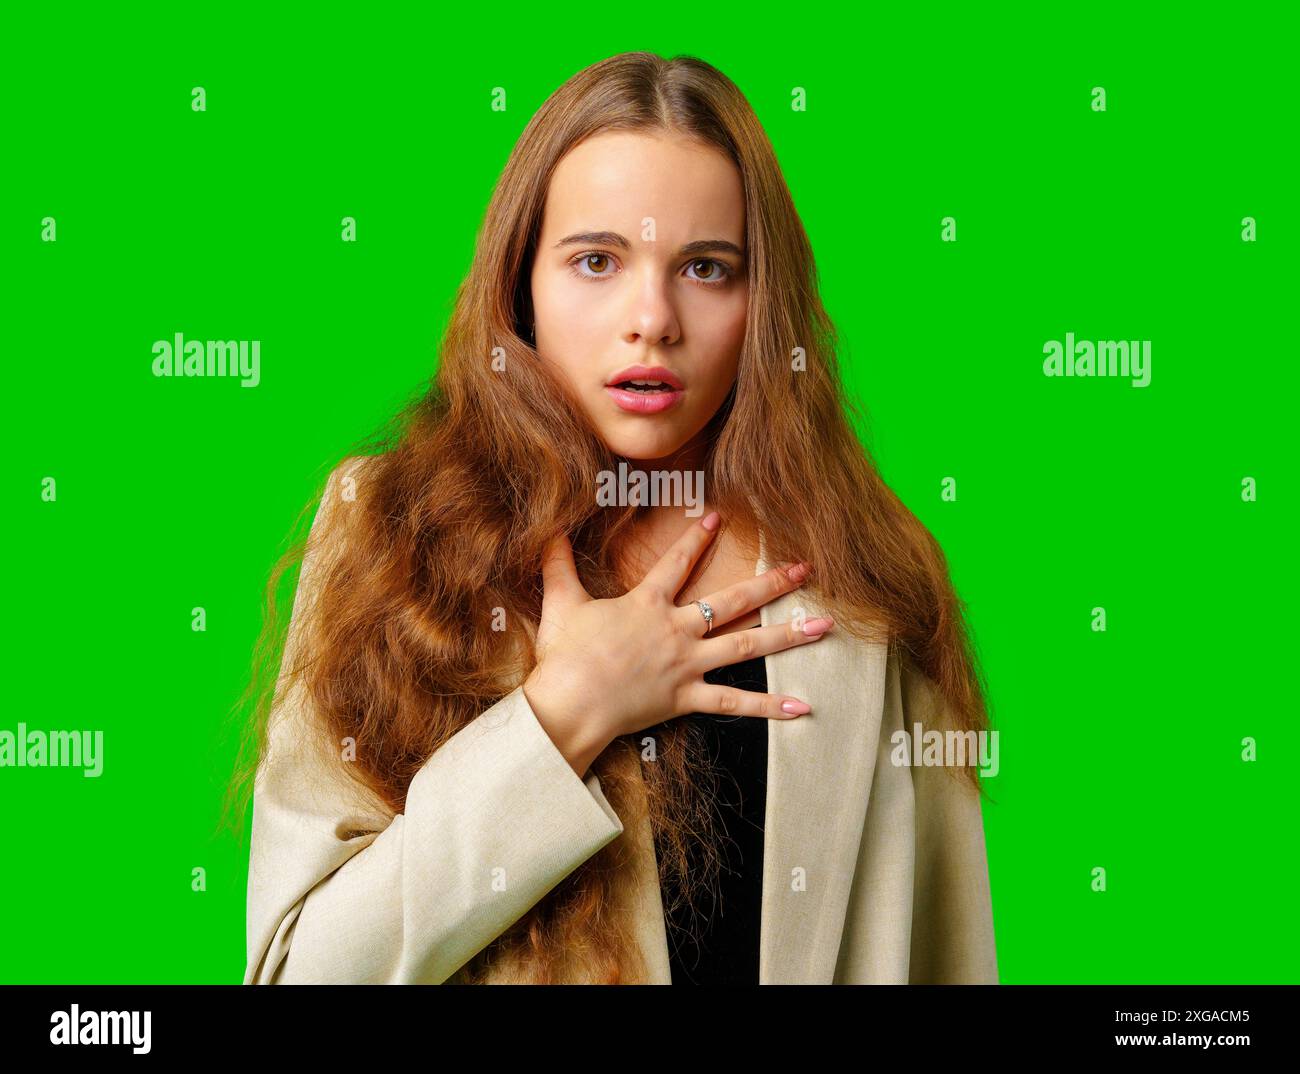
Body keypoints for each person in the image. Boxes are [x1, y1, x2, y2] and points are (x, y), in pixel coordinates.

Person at [226, 50, 998, 985]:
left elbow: (950, 962)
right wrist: (564, 718)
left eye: (706, 268)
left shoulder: (867, 567)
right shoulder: (392, 528)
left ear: (763, 303)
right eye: (597, 260)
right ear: (522, 286)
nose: (652, 319)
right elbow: (298, 973)